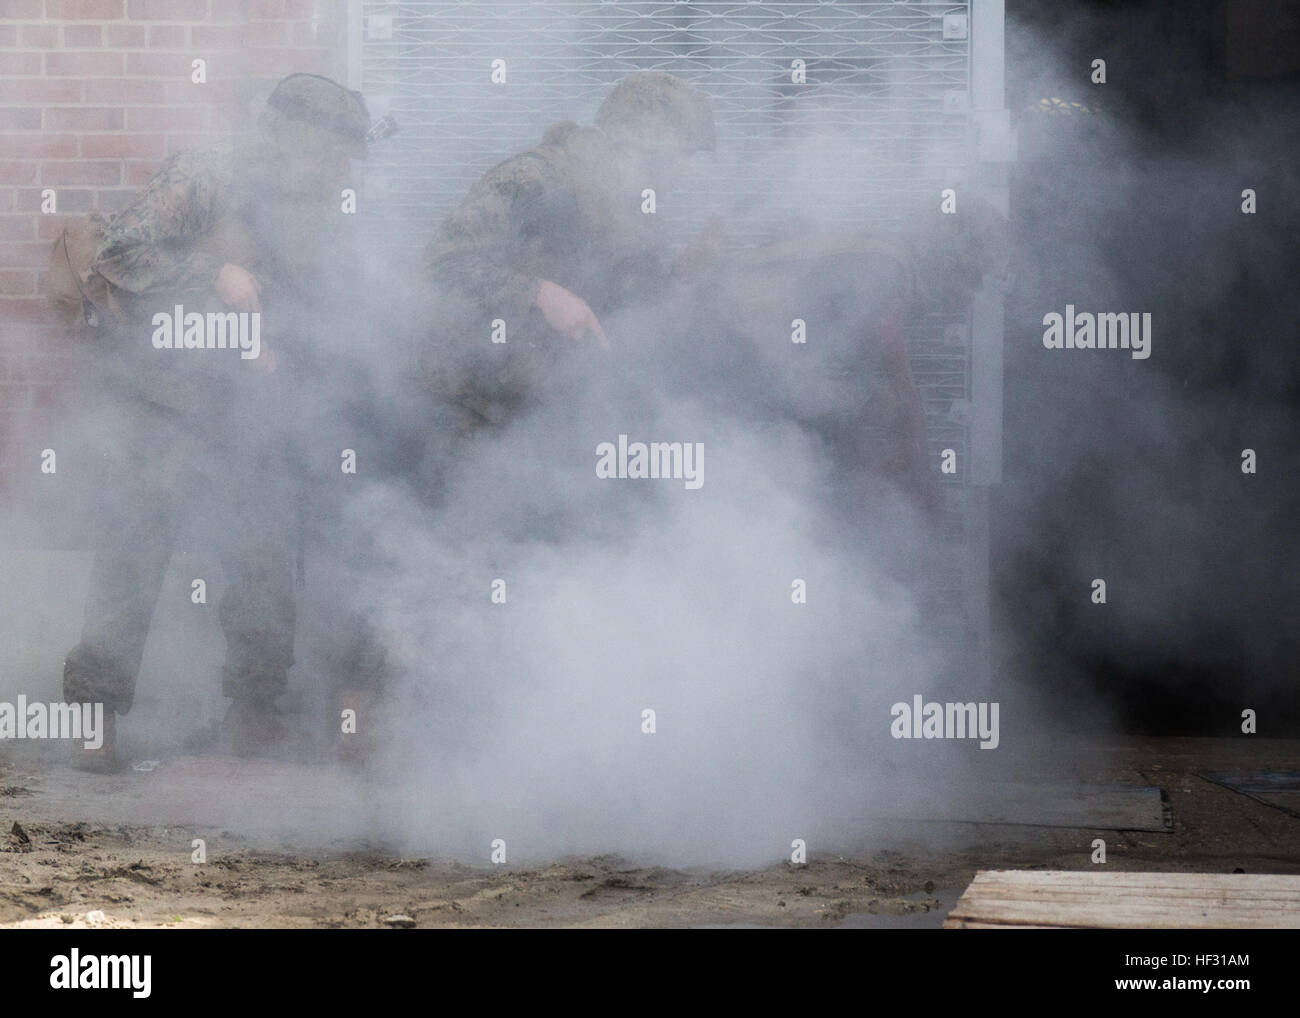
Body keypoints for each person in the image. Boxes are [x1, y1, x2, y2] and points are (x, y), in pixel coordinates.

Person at [56, 73, 373, 769]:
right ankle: (95, 722)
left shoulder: (323, 205)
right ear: (294, 139)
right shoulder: (207, 171)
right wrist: (211, 278)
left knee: (262, 563)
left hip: (247, 412)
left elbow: (314, 301)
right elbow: (122, 252)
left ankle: (253, 720)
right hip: (163, 400)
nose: (340, 170)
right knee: (134, 558)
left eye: (347, 156)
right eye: (332, 152)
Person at [421, 70, 723, 436]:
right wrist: (538, 293)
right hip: (470, 416)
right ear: (635, 151)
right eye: (681, 158)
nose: (686, 174)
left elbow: (627, 315)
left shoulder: (640, 213)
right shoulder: (532, 180)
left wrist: (681, 274)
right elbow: (441, 264)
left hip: (553, 421)